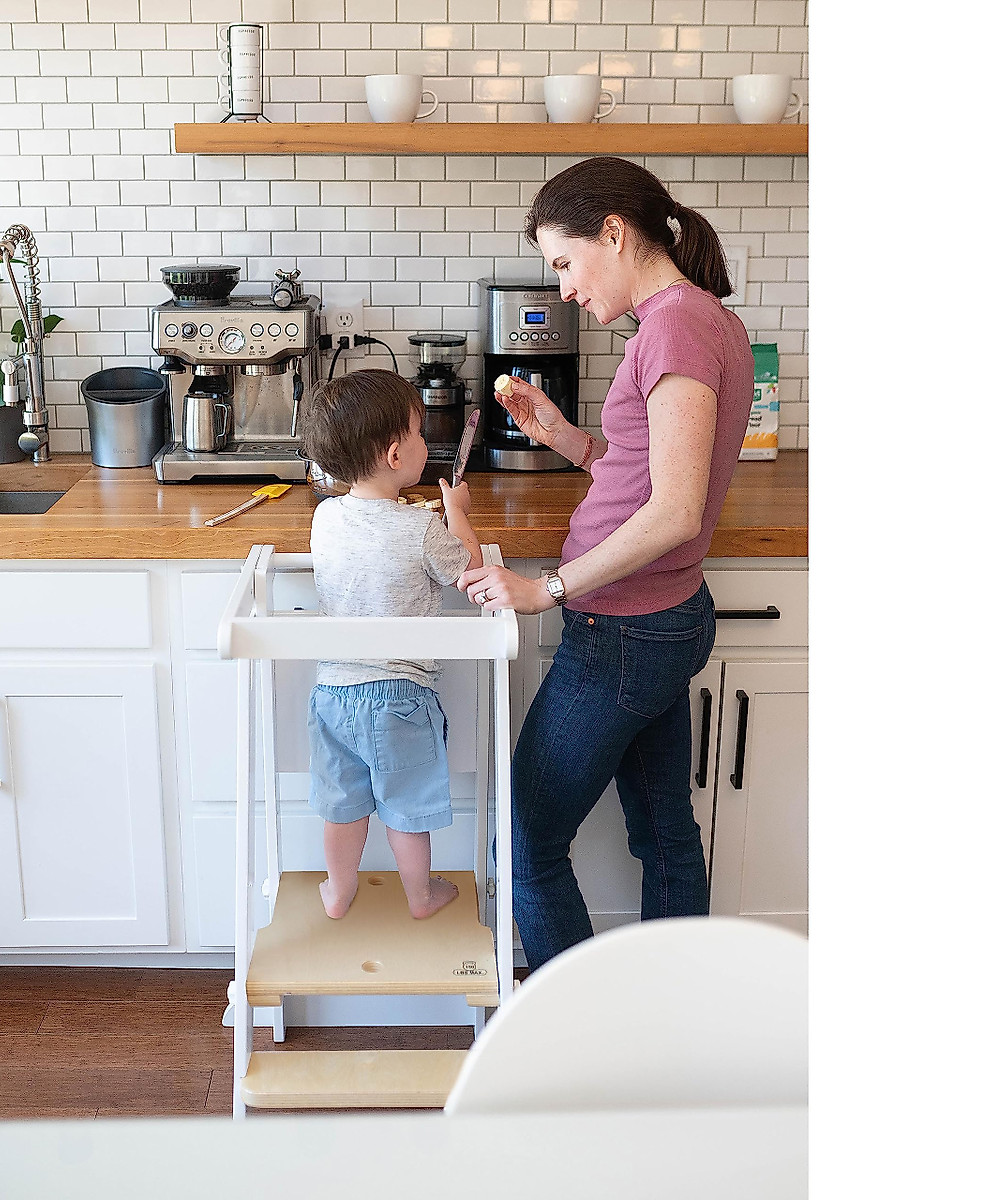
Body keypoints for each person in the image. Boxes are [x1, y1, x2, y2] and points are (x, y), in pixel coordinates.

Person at [458, 155, 755, 972]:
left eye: (564, 262)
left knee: (527, 834)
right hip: (657, 621)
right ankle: (668, 1013)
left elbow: (674, 511)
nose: (562, 291)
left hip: (623, 630)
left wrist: (546, 589)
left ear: (614, 234)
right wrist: (567, 439)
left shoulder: (676, 325)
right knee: (663, 829)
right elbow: (645, 470)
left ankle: (575, 1033)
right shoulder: (695, 316)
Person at [299, 369, 483, 920]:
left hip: (333, 693)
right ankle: (421, 897)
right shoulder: (422, 530)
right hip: (398, 696)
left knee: (343, 804)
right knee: (405, 808)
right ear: (397, 454)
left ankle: (338, 890)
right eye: (421, 432)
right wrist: (459, 516)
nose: (429, 442)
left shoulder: (325, 517)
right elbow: (471, 570)